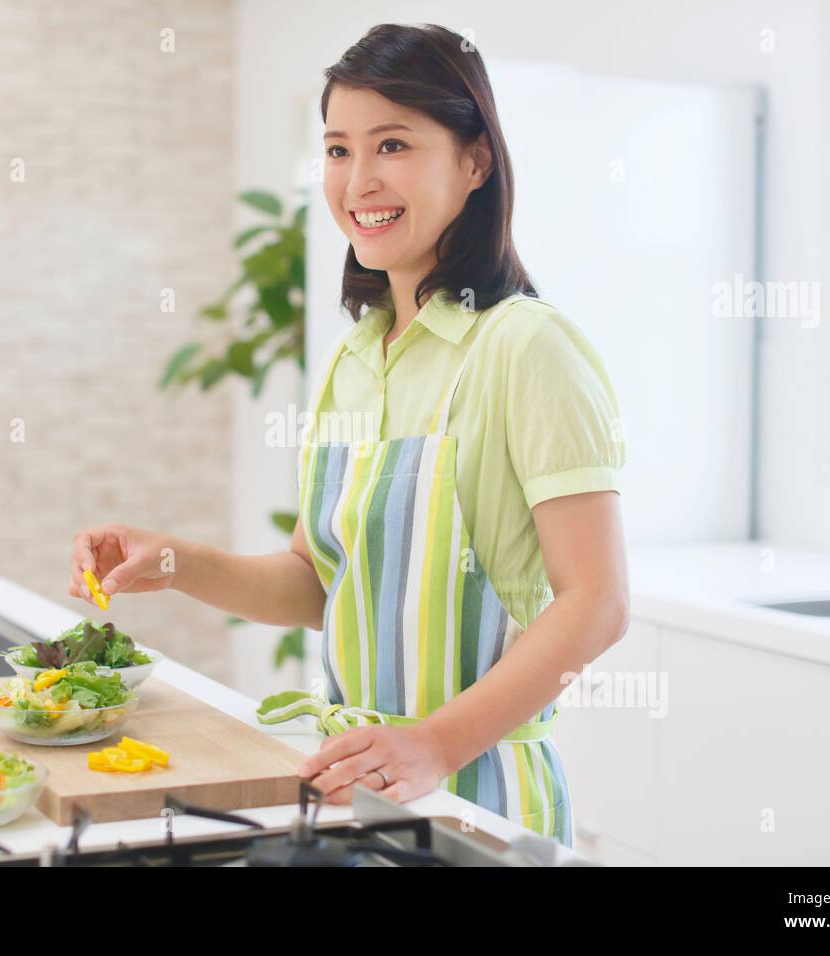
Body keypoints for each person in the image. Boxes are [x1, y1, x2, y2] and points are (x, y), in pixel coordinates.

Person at [70, 23, 629, 847]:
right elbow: (314, 581)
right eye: (336, 150)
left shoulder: (526, 346)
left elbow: (598, 602)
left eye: (392, 144)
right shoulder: (354, 359)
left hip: (480, 797)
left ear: (475, 162)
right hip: (360, 787)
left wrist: (436, 742)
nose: (358, 179)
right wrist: (175, 562)